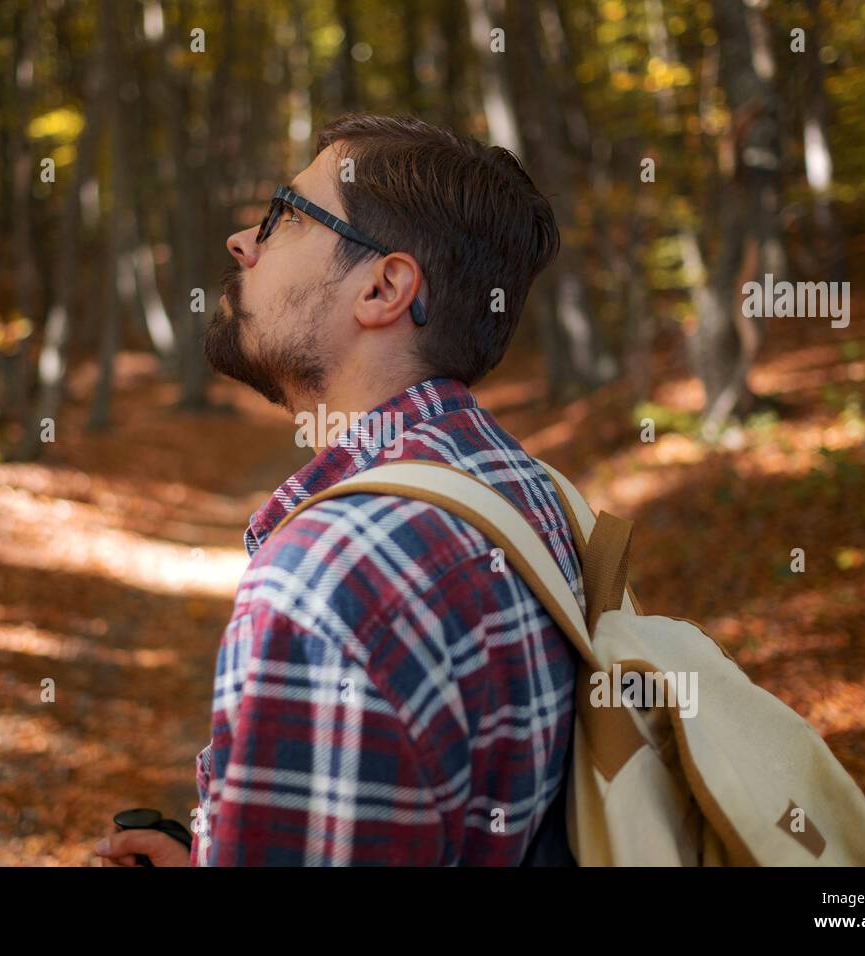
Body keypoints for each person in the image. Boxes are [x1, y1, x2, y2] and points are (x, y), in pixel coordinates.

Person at [96, 113, 581, 867]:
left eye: (285, 217)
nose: (243, 242)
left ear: (383, 288)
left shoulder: (325, 581)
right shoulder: (529, 489)